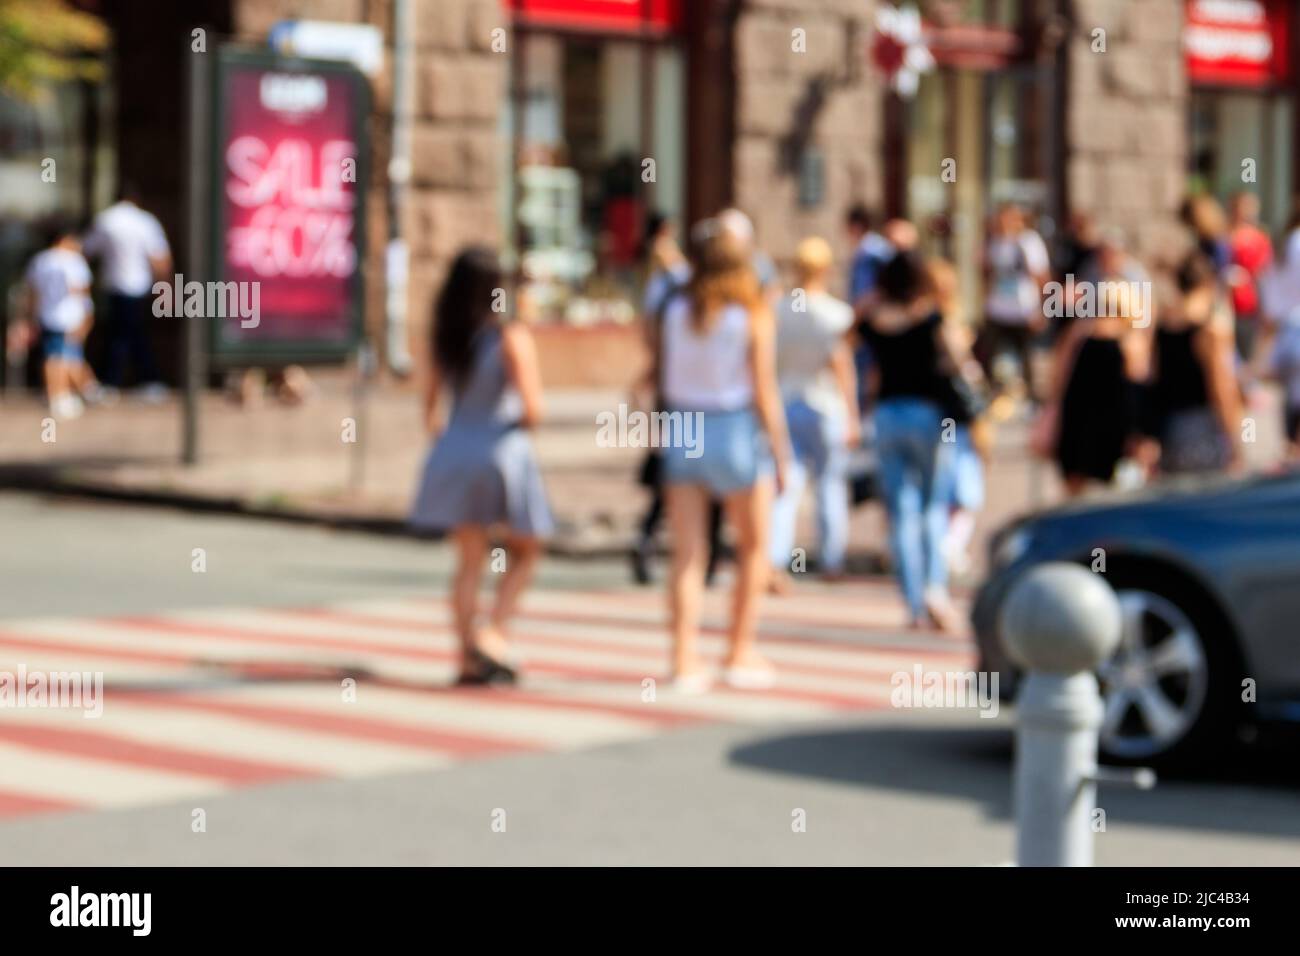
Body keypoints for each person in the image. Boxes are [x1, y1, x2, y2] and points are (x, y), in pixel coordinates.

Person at [409, 247, 553, 686]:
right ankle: (493, 633)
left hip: (455, 446)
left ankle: (467, 657)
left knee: (469, 561)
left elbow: (430, 407)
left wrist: (453, 438)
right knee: (526, 548)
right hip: (500, 448)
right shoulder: (508, 335)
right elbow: (534, 408)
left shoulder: (446, 336)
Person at [658, 220, 791, 692]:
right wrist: (781, 453)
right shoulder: (750, 315)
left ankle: (682, 659)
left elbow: (656, 367)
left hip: (683, 424)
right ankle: (738, 650)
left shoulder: (676, 311)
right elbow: (765, 390)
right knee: (754, 547)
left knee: (689, 554)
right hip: (733, 425)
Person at [860, 250, 963, 631]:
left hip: (886, 415)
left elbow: (853, 334)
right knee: (932, 506)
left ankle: (913, 602)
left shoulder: (876, 322)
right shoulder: (932, 318)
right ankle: (934, 588)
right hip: (927, 414)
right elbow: (958, 358)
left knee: (900, 510)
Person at [629, 213, 724, 587]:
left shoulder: (671, 296)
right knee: (711, 487)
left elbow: (655, 342)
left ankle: (650, 539)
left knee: (674, 480)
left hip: (679, 401)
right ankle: (710, 559)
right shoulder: (728, 304)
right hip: (715, 409)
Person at [768, 237, 858, 591]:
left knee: (786, 485)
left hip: (787, 400)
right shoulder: (837, 314)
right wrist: (852, 414)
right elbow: (842, 367)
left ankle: (776, 559)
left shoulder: (779, 310)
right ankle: (831, 559)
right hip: (825, 404)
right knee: (829, 484)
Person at [1036, 274, 1146, 497]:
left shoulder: (1079, 333)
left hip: (1076, 423)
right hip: (1114, 429)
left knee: (1074, 494)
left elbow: (1057, 377)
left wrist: (1052, 412)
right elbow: (1137, 387)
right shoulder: (1130, 341)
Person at [1144, 253, 1242, 476]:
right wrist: (1239, 440)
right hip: (1204, 430)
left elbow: (1152, 379)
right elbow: (1222, 388)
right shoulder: (1210, 329)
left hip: (1170, 431)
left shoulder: (1163, 326)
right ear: (1208, 283)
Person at [926, 256, 989, 576]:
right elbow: (960, 369)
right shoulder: (940, 323)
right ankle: (947, 546)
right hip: (951, 416)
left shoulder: (913, 320)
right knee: (961, 488)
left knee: (938, 489)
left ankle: (942, 546)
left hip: (932, 414)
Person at [81, 182, 171, 400]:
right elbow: (160, 259)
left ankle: (119, 380)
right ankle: (143, 380)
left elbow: (85, 250)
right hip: (138, 286)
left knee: (122, 334)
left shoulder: (106, 220)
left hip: (114, 285)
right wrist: (166, 288)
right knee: (128, 333)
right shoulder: (146, 221)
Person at [20, 216, 105, 419]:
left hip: (48, 315)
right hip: (71, 315)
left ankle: (81, 390)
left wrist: (30, 318)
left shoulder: (40, 260)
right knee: (61, 357)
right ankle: (59, 396)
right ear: (64, 239)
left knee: (61, 355)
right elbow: (82, 292)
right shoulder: (74, 261)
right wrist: (88, 316)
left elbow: (32, 293)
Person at [977, 203, 1051, 398]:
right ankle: (990, 392)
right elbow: (986, 273)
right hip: (997, 307)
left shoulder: (1028, 242)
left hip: (1023, 308)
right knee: (989, 352)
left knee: (1026, 354)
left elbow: (1040, 276)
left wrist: (1042, 308)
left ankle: (1031, 394)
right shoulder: (993, 242)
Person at [1225, 191, 1274, 362]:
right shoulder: (1224, 234)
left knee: (1246, 355)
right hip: (1226, 303)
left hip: (1248, 305)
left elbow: (1264, 273)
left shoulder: (1259, 238)